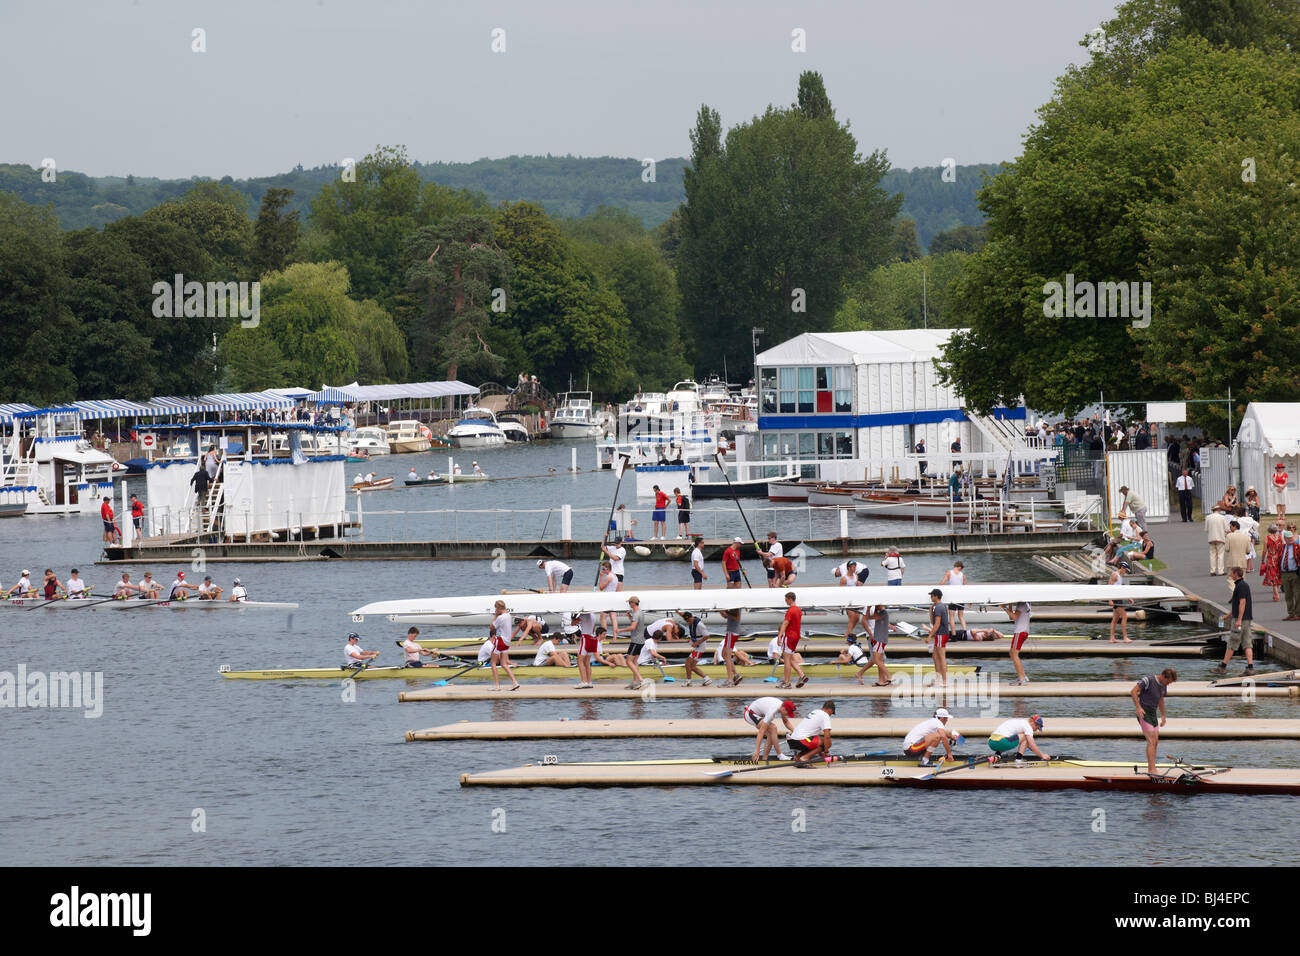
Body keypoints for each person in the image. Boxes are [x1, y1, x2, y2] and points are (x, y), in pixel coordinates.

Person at [1131, 669, 1178, 777]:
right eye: (1168, 682)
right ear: (1163, 676)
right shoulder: (1148, 680)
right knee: (1151, 741)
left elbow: (1161, 699)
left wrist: (1163, 715)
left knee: (1155, 741)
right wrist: (1138, 707)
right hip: (1143, 712)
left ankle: (1152, 767)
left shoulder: (1163, 685)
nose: (1168, 684)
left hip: (1153, 713)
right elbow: (1133, 691)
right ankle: (1151, 769)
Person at [1215, 568, 1255, 676]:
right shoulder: (1241, 585)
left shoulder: (1241, 586)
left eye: (1232, 573)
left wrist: (1239, 620)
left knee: (1233, 642)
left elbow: (1242, 603)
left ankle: (1223, 667)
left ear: (1236, 574)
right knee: (1247, 643)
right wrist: (1227, 616)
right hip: (1246, 619)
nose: (1230, 575)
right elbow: (1237, 605)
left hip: (1241, 620)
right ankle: (1250, 668)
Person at [745, 697, 798, 761]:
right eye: (787, 713)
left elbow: (786, 722)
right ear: (784, 709)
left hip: (759, 713)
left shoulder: (782, 705)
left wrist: (795, 732)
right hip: (750, 714)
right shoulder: (772, 711)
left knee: (771, 735)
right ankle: (780, 755)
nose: (787, 715)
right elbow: (761, 732)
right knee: (773, 728)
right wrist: (757, 751)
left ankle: (765, 759)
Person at [615, 596, 650, 689]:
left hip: (636, 641)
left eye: (629, 603)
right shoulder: (640, 612)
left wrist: (620, 630)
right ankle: (635, 682)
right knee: (634, 661)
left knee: (628, 661)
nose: (629, 605)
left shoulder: (636, 614)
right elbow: (636, 623)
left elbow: (633, 627)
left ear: (633, 603)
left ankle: (641, 680)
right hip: (641, 640)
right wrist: (629, 616)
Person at [487, 600, 520, 691]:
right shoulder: (508, 616)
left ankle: (497, 686)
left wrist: (495, 616)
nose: (495, 610)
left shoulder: (500, 618)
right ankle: (514, 682)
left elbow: (491, 627)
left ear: (499, 608)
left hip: (500, 641)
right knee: (503, 663)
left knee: (493, 663)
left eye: (496, 608)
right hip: (507, 642)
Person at [776, 591, 806, 689]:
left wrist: (780, 635)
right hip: (796, 637)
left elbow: (785, 623)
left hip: (789, 637)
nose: (785, 602)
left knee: (786, 660)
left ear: (790, 599)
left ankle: (787, 683)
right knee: (791, 658)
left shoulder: (790, 610)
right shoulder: (798, 610)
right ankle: (802, 675)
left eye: (786, 600)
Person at [677, 610, 713, 686]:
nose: (688, 622)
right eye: (686, 621)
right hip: (697, 646)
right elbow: (683, 614)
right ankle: (707, 679)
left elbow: (707, 636)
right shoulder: (690, 619)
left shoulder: (700, 625)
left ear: (692, 617)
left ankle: (688, 681)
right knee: (692, 666)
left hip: (700, 647)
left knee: (687, 664)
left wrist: (697, 643)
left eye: (689, 620)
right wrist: (677, 611)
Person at [926, 588, 952, 683]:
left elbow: (937, 624)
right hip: (940, 634)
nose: (931, 597)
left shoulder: (939, 608)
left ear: (936, 596)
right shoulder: (939, 607)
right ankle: (938, 679)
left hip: (941, 634)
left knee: (941, 657)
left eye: (932, 596)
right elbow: (933, 621)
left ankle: (944, 681)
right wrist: (930, 609)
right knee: (935, 656)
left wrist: (929, 636)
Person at [1003, 600, 1032, 684]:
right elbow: (1011, 617)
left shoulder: (1022, 604)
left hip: (1020, 632)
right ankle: (1023, 676)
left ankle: (1021, 679)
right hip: (1023, 631)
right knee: (1012, 653)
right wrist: (1009, 605)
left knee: (1014, 654)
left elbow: (1014, 617)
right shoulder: (1025, 604)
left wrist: (1003, 607)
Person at [939, 561, 969, 635]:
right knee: (961, 616)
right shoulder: (963, 575)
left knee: (951, 617)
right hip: (961, 598)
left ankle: (954, 635)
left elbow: (942, 583)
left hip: (953, 598)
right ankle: (965, 633)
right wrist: (969, 600)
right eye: (961, 568)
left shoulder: (949, 573)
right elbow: (967, 589)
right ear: (959, 567)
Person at [718, 607, 745, 686]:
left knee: (727, 656)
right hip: (731, 632)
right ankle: (736, 675)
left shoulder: (736, 606)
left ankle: (730, 680)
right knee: (724, 655)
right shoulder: (731, 606)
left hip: (732, 632)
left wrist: (726, 612)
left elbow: (737, 618)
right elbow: (725, 616)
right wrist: (720, 611)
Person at [1107, 561, 1133, 643]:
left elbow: (1120, 590)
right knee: (1124, 616)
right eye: (1125, 570)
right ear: (1122, 567)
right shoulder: (1115, 575)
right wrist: (1110, 600)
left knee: (1115, 619)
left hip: (1118, 598)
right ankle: (1125, 638)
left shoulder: (1120, 577)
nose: (1125, 572)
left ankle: (1112, 638)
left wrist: (1129, 598)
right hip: (1115, 599)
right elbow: (1108, 587)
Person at [1280, 530, 1300, 620]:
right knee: (1288, 594)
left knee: (1297, 594)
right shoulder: (1282, 548)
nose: (1291, 539)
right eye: (1288, 538)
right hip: (1285, 574)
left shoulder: (1297, 547)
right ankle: (1291, 613)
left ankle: (1298, 613)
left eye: (1291, 537)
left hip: (1295, 573)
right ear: (1285, 539)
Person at [1262, 524, 1284, 603]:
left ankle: (1277, 594)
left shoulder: (1267, 538)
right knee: (1277, 576)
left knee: (1272, 576)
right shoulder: (1280, 537)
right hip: (1279, 559)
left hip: (1270, 559)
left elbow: (1264, 551)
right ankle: (1275, 594)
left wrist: (1262, 560)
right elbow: (1282, 548)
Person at [1206, 505, 1229, 576]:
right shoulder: (1222, 517)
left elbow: (1206, 529)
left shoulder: (1208, 517)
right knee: (1220, 555)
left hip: (1211, 538)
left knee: (1212, 554)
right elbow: (1226, 529)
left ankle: (1212, 570)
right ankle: (1220, 571)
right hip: (1220, 538)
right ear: (1219, 510)